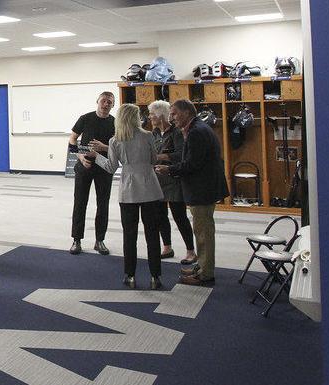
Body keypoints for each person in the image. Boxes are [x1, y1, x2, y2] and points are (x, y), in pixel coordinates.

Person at [84, 104, 164, 289]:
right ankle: (155, 277)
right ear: (136, 117)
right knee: (152, 234)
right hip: (150, 188)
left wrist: (96, 156)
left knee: (130, 235)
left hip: (128, 190)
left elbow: (111, 167)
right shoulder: (147, 135)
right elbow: (154, 159)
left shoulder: (115, 140)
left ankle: (130, 276)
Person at [156, 99, 228, 286]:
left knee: (203, 232)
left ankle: (205, 273)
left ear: (187, 112)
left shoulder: (196, 132)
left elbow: (191, 164)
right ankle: (202, 267)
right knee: (202, 230)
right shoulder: (197, 128)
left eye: (174, 114)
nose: (171, 118)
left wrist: (169, 169)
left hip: (202, 189)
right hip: (204, 187)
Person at [148, 100, 196, 263]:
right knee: (160, 215)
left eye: (152, 115)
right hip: (157, 179)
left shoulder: (176, 132)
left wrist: (163, 157)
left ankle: (190, 251)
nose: (150, 118)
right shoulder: (153, 133)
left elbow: (183, 154)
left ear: (161, 116)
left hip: (174, 179)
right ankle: (167, 247)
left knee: (179, 216)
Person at [69, 92, 116, 255]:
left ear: (113, 105)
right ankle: (76, 240)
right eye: (103, 101)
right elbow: (72, 140)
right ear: (98, 101)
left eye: (109, 102)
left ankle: (100, 240)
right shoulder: (85, 118)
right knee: (80, 203)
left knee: (103, 204)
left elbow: (118, 149)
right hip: (85, 166)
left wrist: (103, 147)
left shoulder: (115, 123)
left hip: (104, 167)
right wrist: (80, 157)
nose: (106, 104)